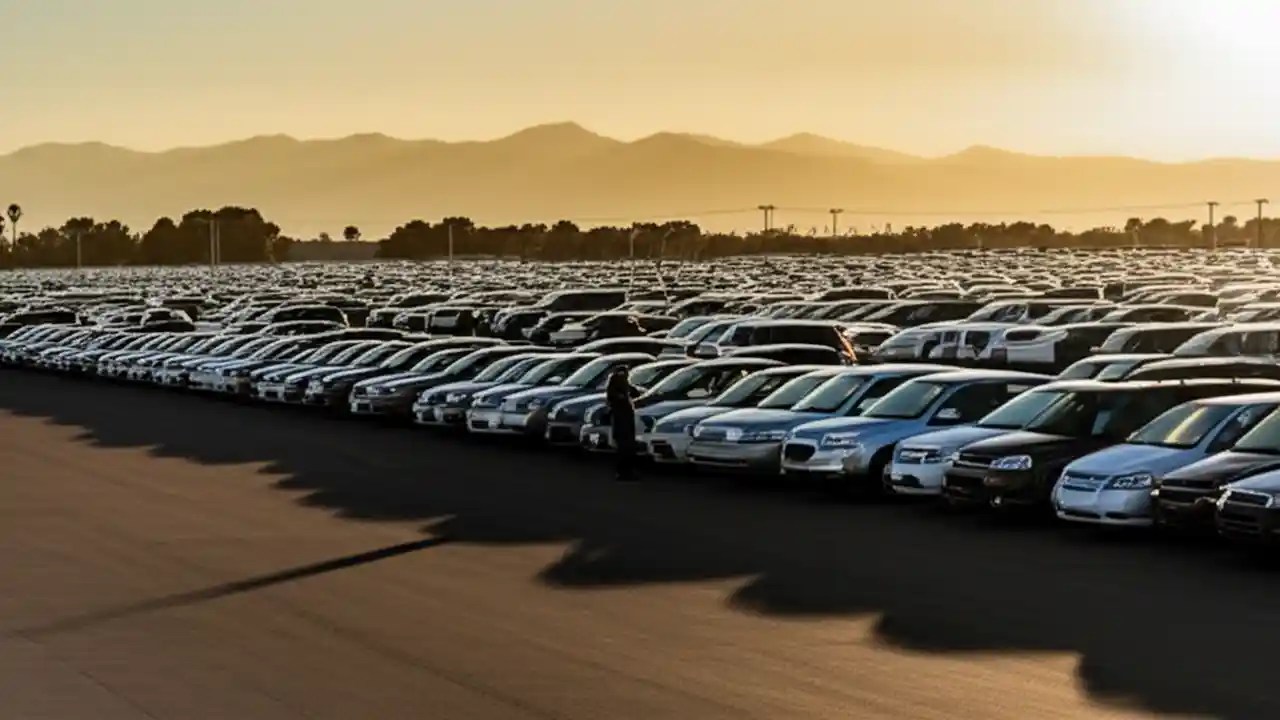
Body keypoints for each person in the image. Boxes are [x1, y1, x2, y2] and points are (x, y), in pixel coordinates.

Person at [605, 365, 641, 481]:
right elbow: (614, 399)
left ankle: (627, 472)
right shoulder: (615, 390)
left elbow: (636, 393)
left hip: (626, 423)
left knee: (628, 449)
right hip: (622, 423)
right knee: (624, 449)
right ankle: (623, 472)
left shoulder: (624, 387)